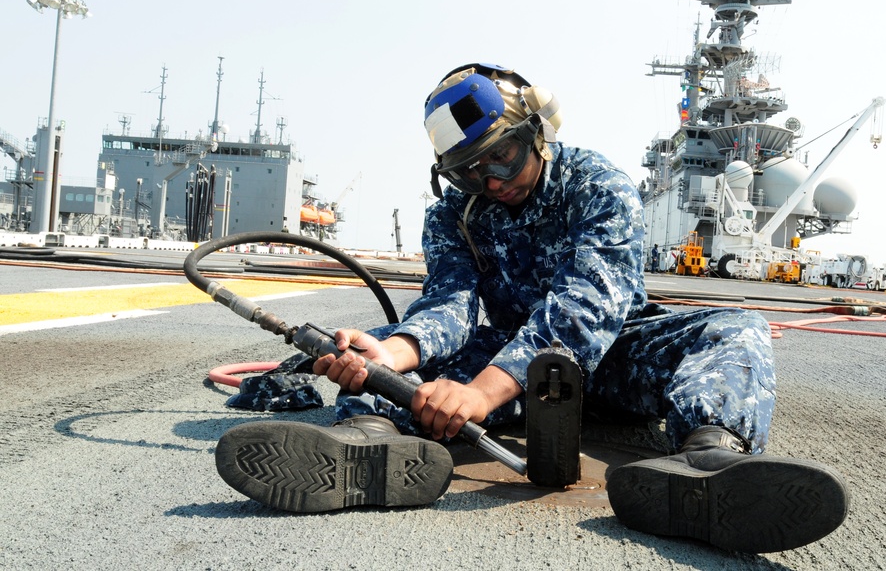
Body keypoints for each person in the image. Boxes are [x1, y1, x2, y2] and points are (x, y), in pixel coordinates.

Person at [216, 63, 849, 553]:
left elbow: (587, 307)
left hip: (615, 358)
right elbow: (452, 304)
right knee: (379, 339)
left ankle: (709, 460)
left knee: (734, 331)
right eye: (469, 171)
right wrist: (393, 355)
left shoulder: (599, 186)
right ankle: (371, 442)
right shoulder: (453, 216)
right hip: (510, 358)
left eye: (504, 156)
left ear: (536, 135)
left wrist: (483, 393)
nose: (492, 181)